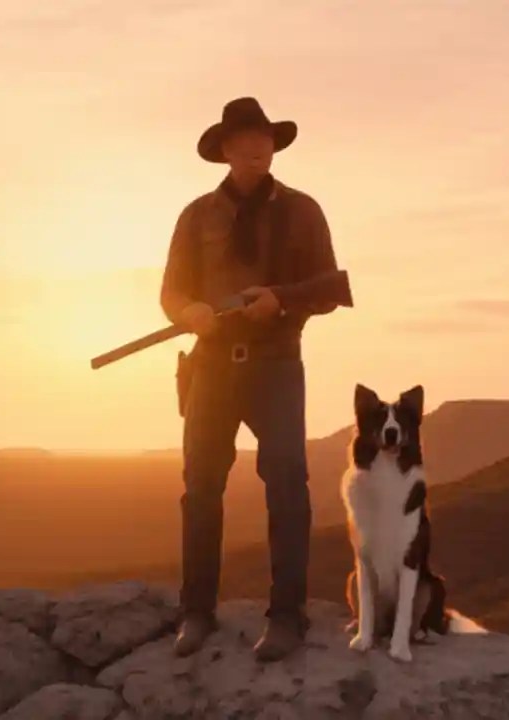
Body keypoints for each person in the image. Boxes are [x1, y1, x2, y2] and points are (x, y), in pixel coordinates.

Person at [159, 97, 342, 662]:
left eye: (265, 137)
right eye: (246, 139)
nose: (258, 147)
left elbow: (330, 289)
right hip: (211, 366)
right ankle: (196, 612)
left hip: (277, 365)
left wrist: (279, 301)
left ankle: (287, 616)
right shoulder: (195, 217)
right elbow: (171, 293)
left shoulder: (303, 211)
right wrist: (187, 311)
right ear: (227, 150)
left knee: (287, 486)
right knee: (201, 488)